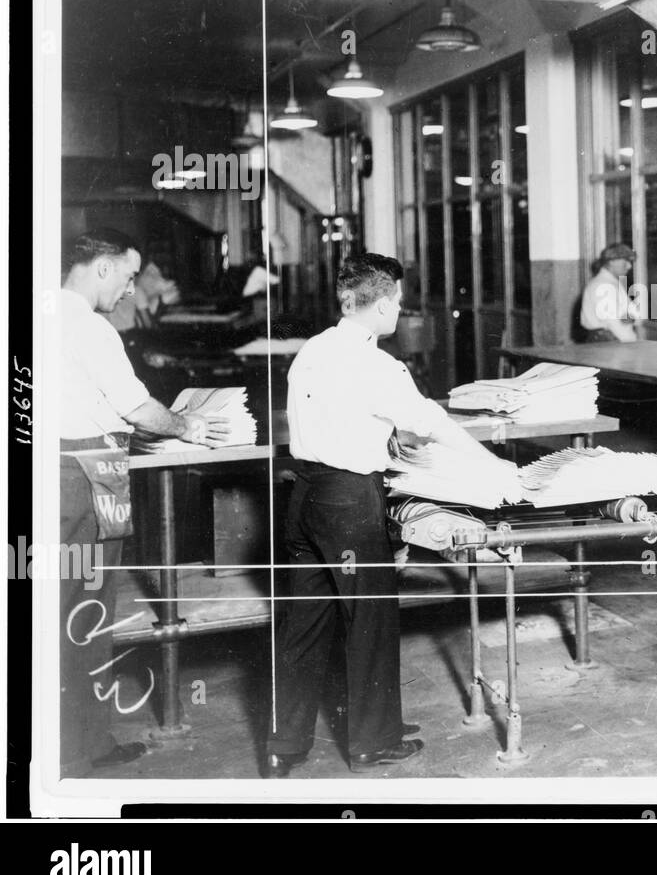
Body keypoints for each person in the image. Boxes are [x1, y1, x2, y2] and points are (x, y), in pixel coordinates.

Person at [266, 252, 515, 776]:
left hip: (303, 497)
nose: (400, 310)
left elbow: (338, 419)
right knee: (370, 620)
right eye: (398, 301)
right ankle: (372, 741)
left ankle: (284, 746)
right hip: (349, 503)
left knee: (304, 624)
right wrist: (492, 465)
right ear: (380, 305)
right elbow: (430, 422)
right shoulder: (378, 365)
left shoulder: (312, 349)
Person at [59, 229, 228, 778]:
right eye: (129, 277)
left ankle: (69, 746)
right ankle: (79, 751)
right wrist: (187, 425)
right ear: (103, 268)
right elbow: (136, 407)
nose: (132, 290)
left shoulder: (36, 311)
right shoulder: (91, 327)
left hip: (51, 472)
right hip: (87, 476)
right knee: (86, 613)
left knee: (55, 613)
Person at [578, 242, 640, 343]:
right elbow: (613, 323)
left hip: (614, 340)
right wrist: (631, 342)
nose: (629, 266)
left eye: (630, 262)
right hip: (608, 341)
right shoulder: (602, 285)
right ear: (611, 261)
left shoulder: (612, 283)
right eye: (626, 261)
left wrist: (629, 316)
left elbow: (634, 313)